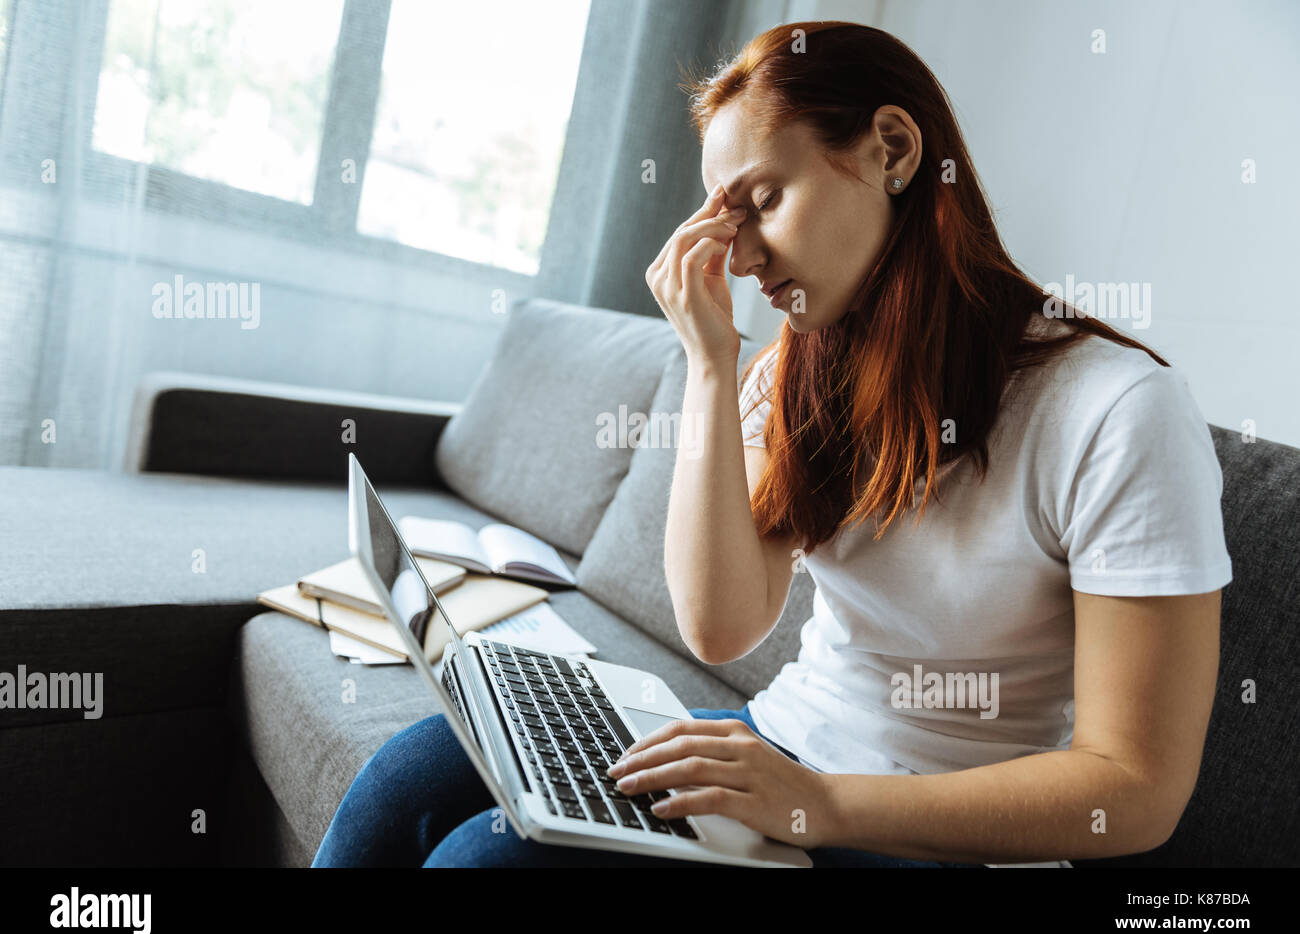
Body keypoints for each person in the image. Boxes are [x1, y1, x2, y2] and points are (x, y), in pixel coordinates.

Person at [314, 21, 1230, 868]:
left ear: (893, 151)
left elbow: (1135, 789)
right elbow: (720, 623)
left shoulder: (1118, 411)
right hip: (785, 740)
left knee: (487, 858)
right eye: (726, 218)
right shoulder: (797, 370)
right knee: (415, 772)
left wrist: (820, 803)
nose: (742, 257)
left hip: (931, 830)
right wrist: (711, 367)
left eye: (763, 201)